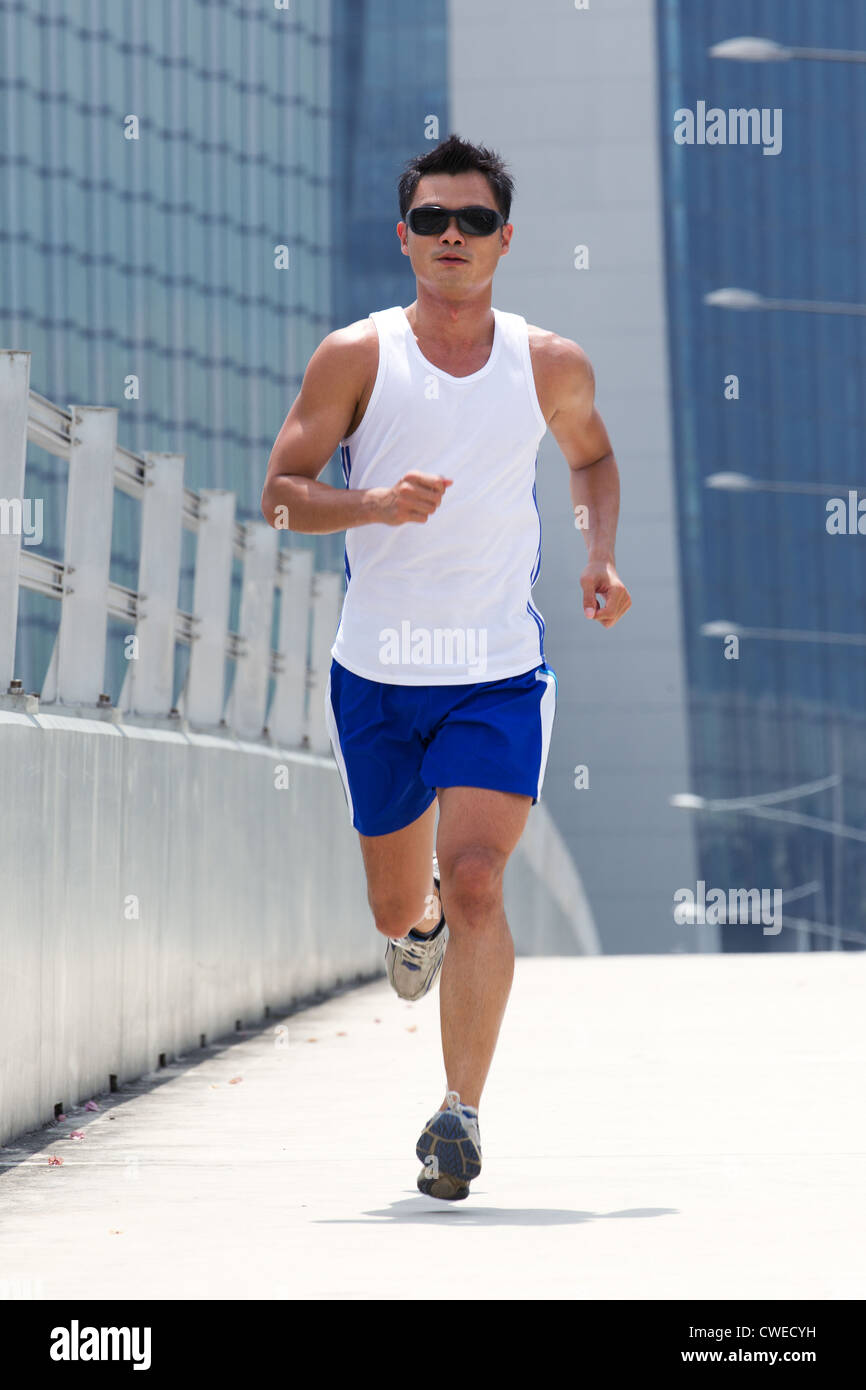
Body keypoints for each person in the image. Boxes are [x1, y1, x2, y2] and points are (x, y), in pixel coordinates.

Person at [261, 133, 631, 1201]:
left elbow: (593, 457)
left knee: (475, 881)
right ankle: (411, 925)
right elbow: (282, 492)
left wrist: (598, 555)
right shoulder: (356, 357)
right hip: (375, 673)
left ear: (505, 240)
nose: (452, 237)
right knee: (397, 909)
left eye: (472, 221)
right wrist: (370, 504)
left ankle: (456, 1116)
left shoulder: (547, 362)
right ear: (404, 236)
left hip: (495, 671)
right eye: (432, 220)